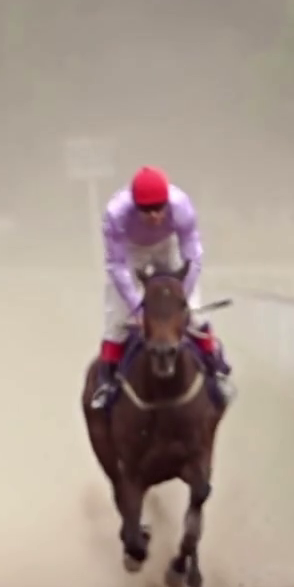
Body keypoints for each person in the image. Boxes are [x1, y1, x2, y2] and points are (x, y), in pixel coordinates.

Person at [91, 165, 233, 409]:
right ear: (135, 205)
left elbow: (193, 258)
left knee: (196, 315)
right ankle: (107, 383)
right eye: (146, 209)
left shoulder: (181, 206)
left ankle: (217, 370)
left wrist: (182, 300)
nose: (155, 215)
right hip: (130, 252)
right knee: (116, 320)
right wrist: (137, 307)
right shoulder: (116, 214)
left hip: (168, 246)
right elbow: (116, 265)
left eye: (159, 207)